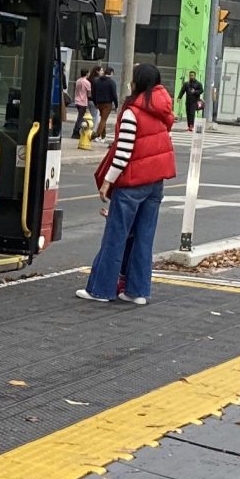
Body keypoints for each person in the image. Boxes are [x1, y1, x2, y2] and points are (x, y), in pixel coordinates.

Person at [79, 62, 176, 306]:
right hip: (156, 184)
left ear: (138, 82)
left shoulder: (133, 111)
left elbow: (123, 152)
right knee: (144, 238)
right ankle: (137, 291)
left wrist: (107, 181)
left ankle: (101, 290)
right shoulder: (163, 112)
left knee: (116, 236)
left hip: (132, 183)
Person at [90, 64, 119, 142]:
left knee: (103, 118)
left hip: (99, 102)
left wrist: (95, 102)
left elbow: (93, 92)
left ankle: (103, 135)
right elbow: (114, 94)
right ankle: (97, 134)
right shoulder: (111, 82)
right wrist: (116, 105)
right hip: (108, 103)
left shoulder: (97, 81)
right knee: (104, 119)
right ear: (111, 73)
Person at [70, 68, 95, 142]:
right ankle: (76, 131)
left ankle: (78, 130)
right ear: (87, 73)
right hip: (83, 101)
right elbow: (89, 94)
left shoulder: (78, 80)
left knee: (81, 117)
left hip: (77, 100)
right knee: (80, 118)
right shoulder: (87, 82)